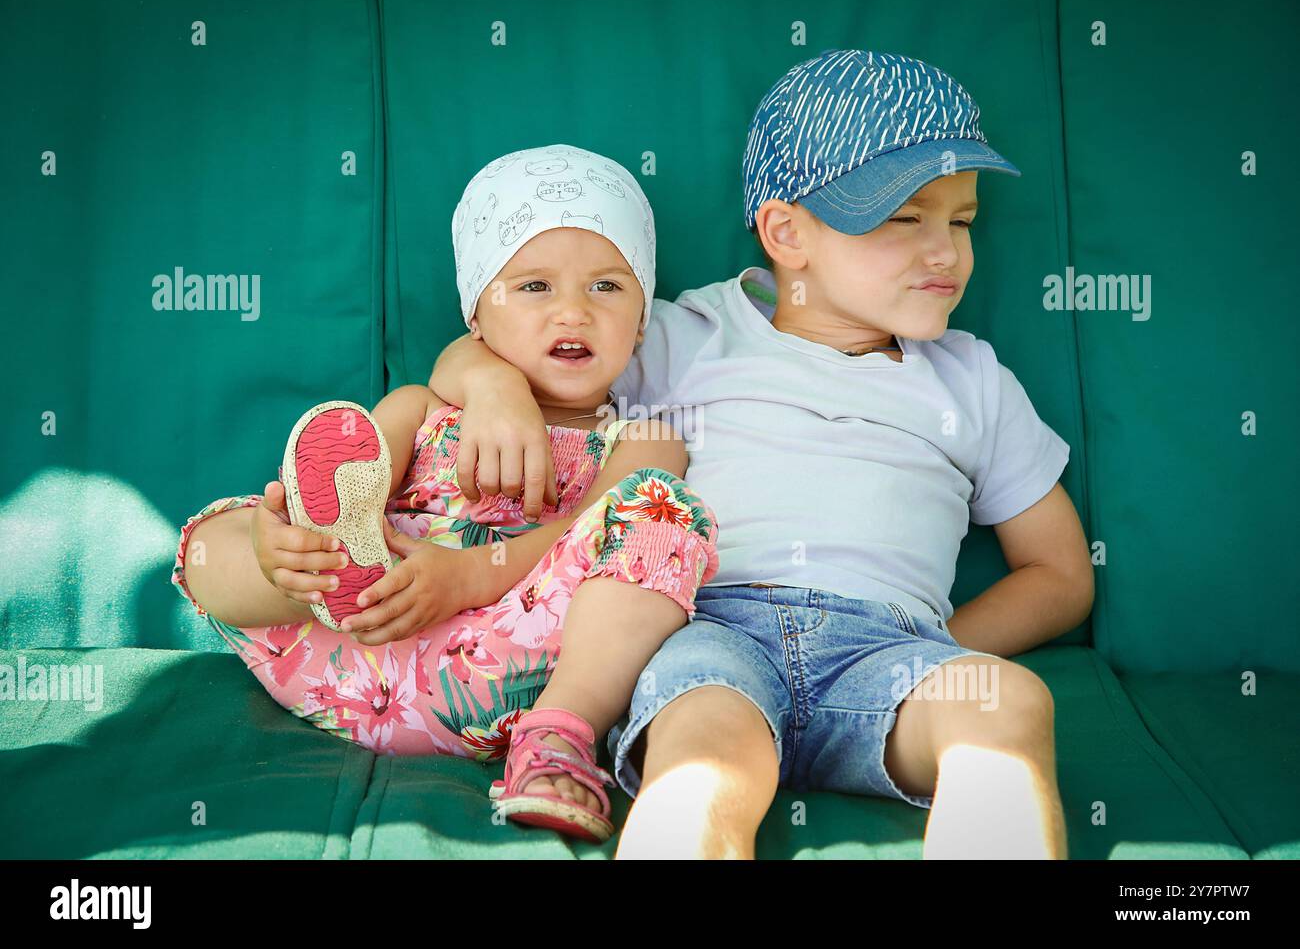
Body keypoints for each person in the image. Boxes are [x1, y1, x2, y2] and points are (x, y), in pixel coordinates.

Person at [426, 52, 1094, 859]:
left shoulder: (974, 381)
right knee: (702, 761)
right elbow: (510, 352)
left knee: (1009, 706)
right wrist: (492, 388)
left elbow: (1060, 574)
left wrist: (938, 654)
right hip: (710, 632)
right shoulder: (685, 336)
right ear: (787, 233)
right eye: (906, 218)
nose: (946, 252)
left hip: (893, 649)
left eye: (961, 220)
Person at [171, 143, 720, 844]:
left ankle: (559, 738)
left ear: (643, 321)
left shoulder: (640, 438)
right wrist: (286, 546)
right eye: (533, 287)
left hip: (516, 666)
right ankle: (313, 564)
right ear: (477, 317)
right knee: (220, 539)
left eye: (608, 287)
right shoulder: (422, 408)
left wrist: (468, 575)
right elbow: (405, 424)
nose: (573, 313)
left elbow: (591, 532)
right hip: (359, 636)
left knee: (662, 515)